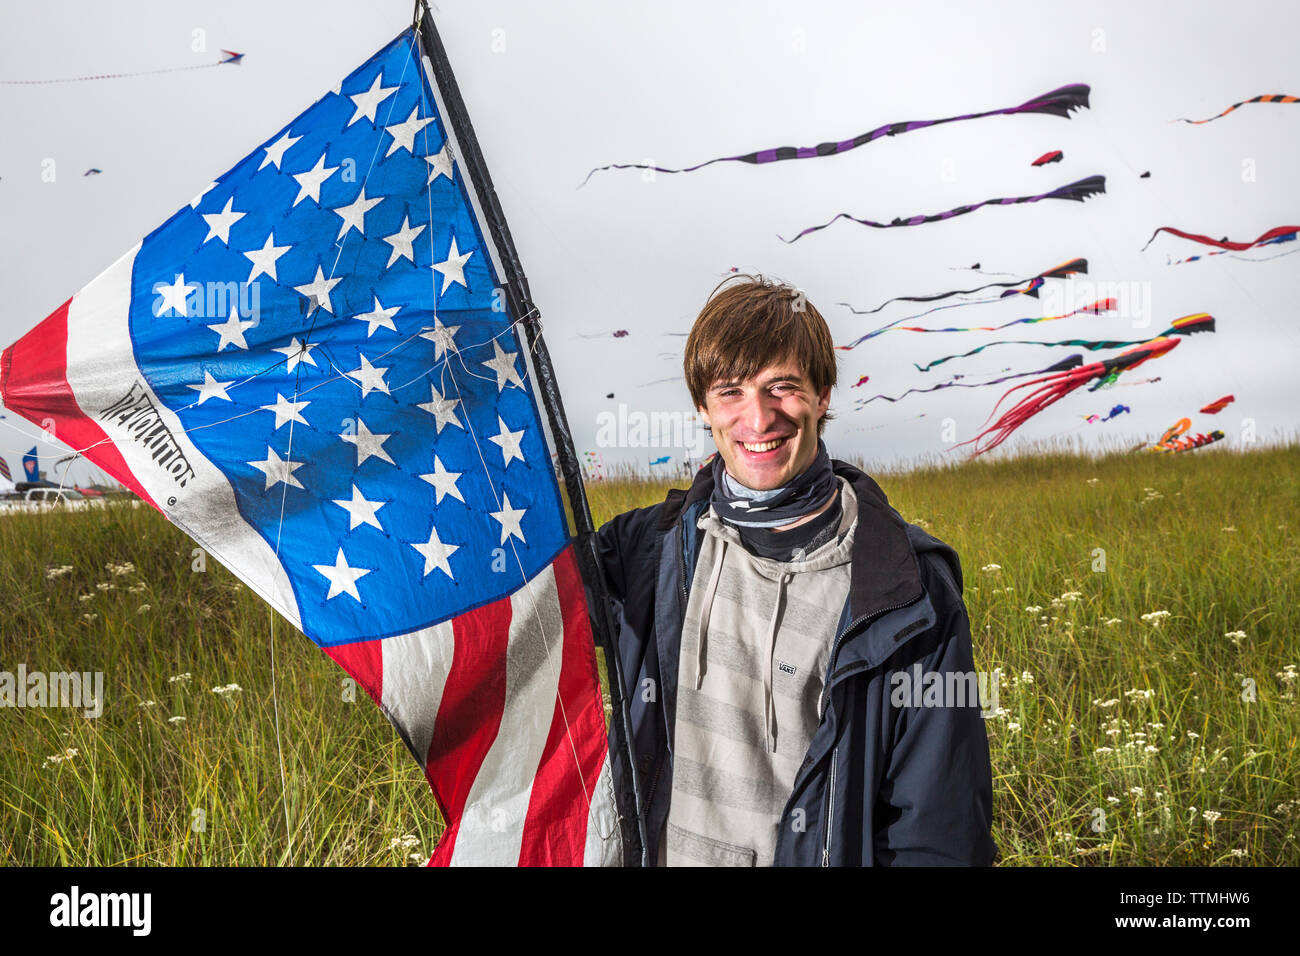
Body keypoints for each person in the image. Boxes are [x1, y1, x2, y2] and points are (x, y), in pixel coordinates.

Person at [595, 274, 997, 866]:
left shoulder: (906, 591)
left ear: (823, 394)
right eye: (730, 391)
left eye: (781, 386)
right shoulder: (642, 553)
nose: (758, 419)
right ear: (703, 407)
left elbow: (940, 831)